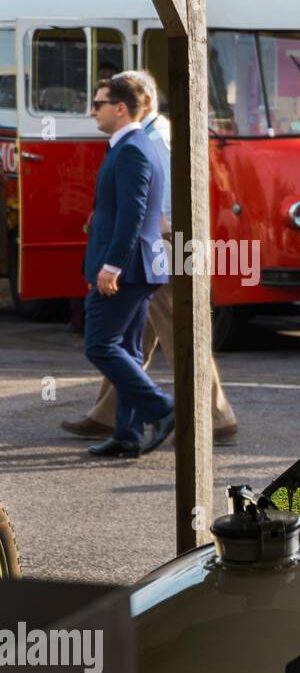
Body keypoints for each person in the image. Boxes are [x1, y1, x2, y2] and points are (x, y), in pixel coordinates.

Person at [61, 70, 239, 444]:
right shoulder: (162, 132)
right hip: (166, 243)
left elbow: (156, 203)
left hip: (162, 244)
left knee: (177, 334)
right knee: (132, 338)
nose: (95, 110)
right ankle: (111, 416)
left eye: (101, 103)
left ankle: (212, 417)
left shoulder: (152, 140)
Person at [80, 72, 174, 459]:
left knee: (100, 345)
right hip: (140, 267)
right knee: (129, 351)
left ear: (120, 108)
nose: (93, 111)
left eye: (99, 104)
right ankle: (128, 434)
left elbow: (133, 214)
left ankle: (162, 408)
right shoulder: (131, 144)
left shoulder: (132, 148)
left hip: (129, 268)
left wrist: (113, 265)